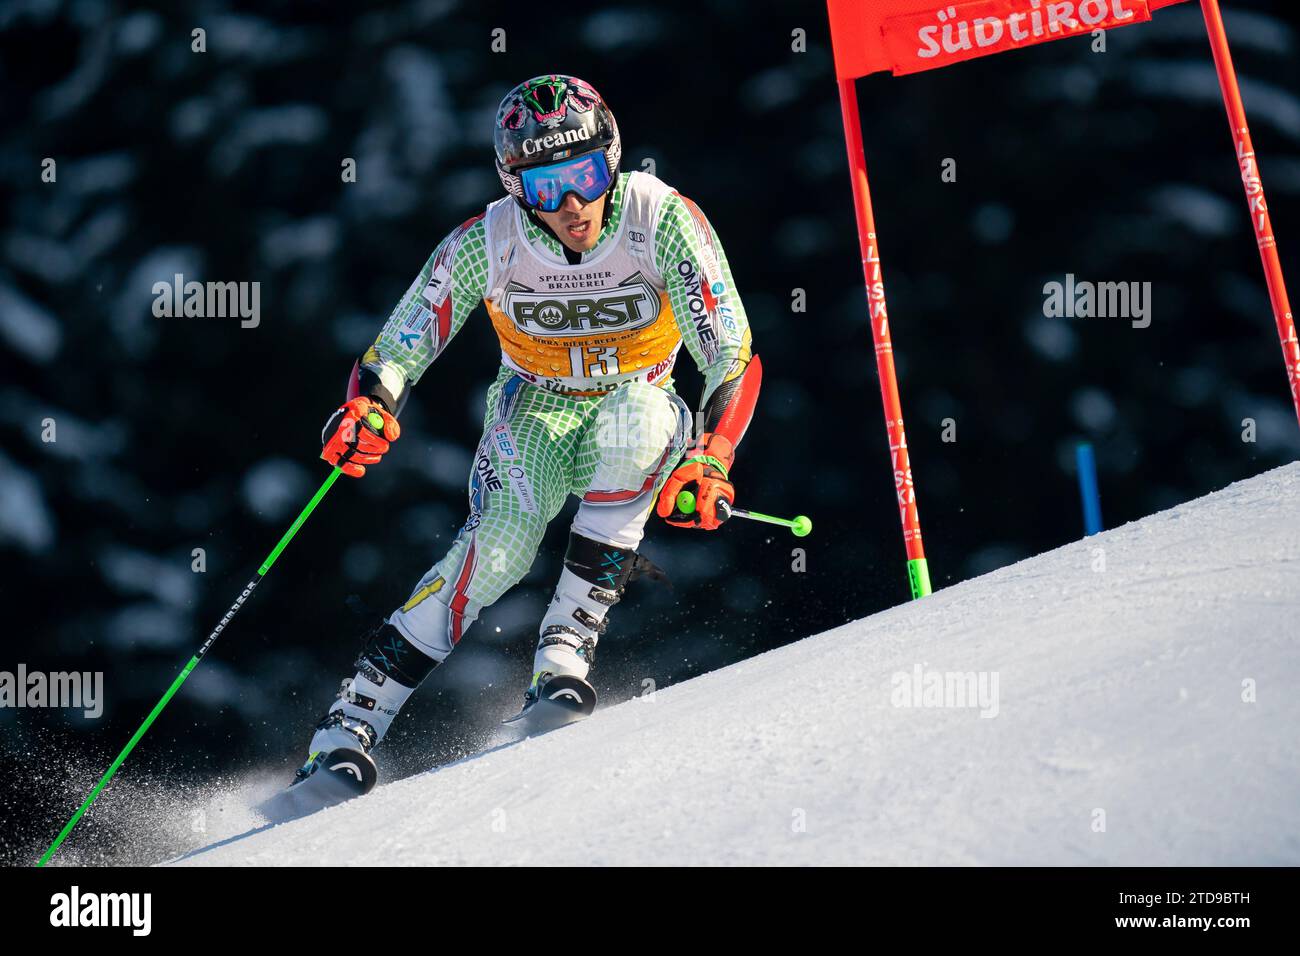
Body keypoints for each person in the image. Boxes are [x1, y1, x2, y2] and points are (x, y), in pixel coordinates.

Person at [297, 73, 762, 781]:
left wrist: (713, 453)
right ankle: (348, 725)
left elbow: (729, 349)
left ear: (612, 156)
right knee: (501, 547)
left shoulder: (658, 218)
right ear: (516, 186)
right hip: (534, 409)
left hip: (637, 402)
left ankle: (565, 647)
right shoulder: (491, 240)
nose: (573, 205)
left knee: (637, 422)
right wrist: (368, 406)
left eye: (584, 174)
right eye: (547, 187)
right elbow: (400, 346)